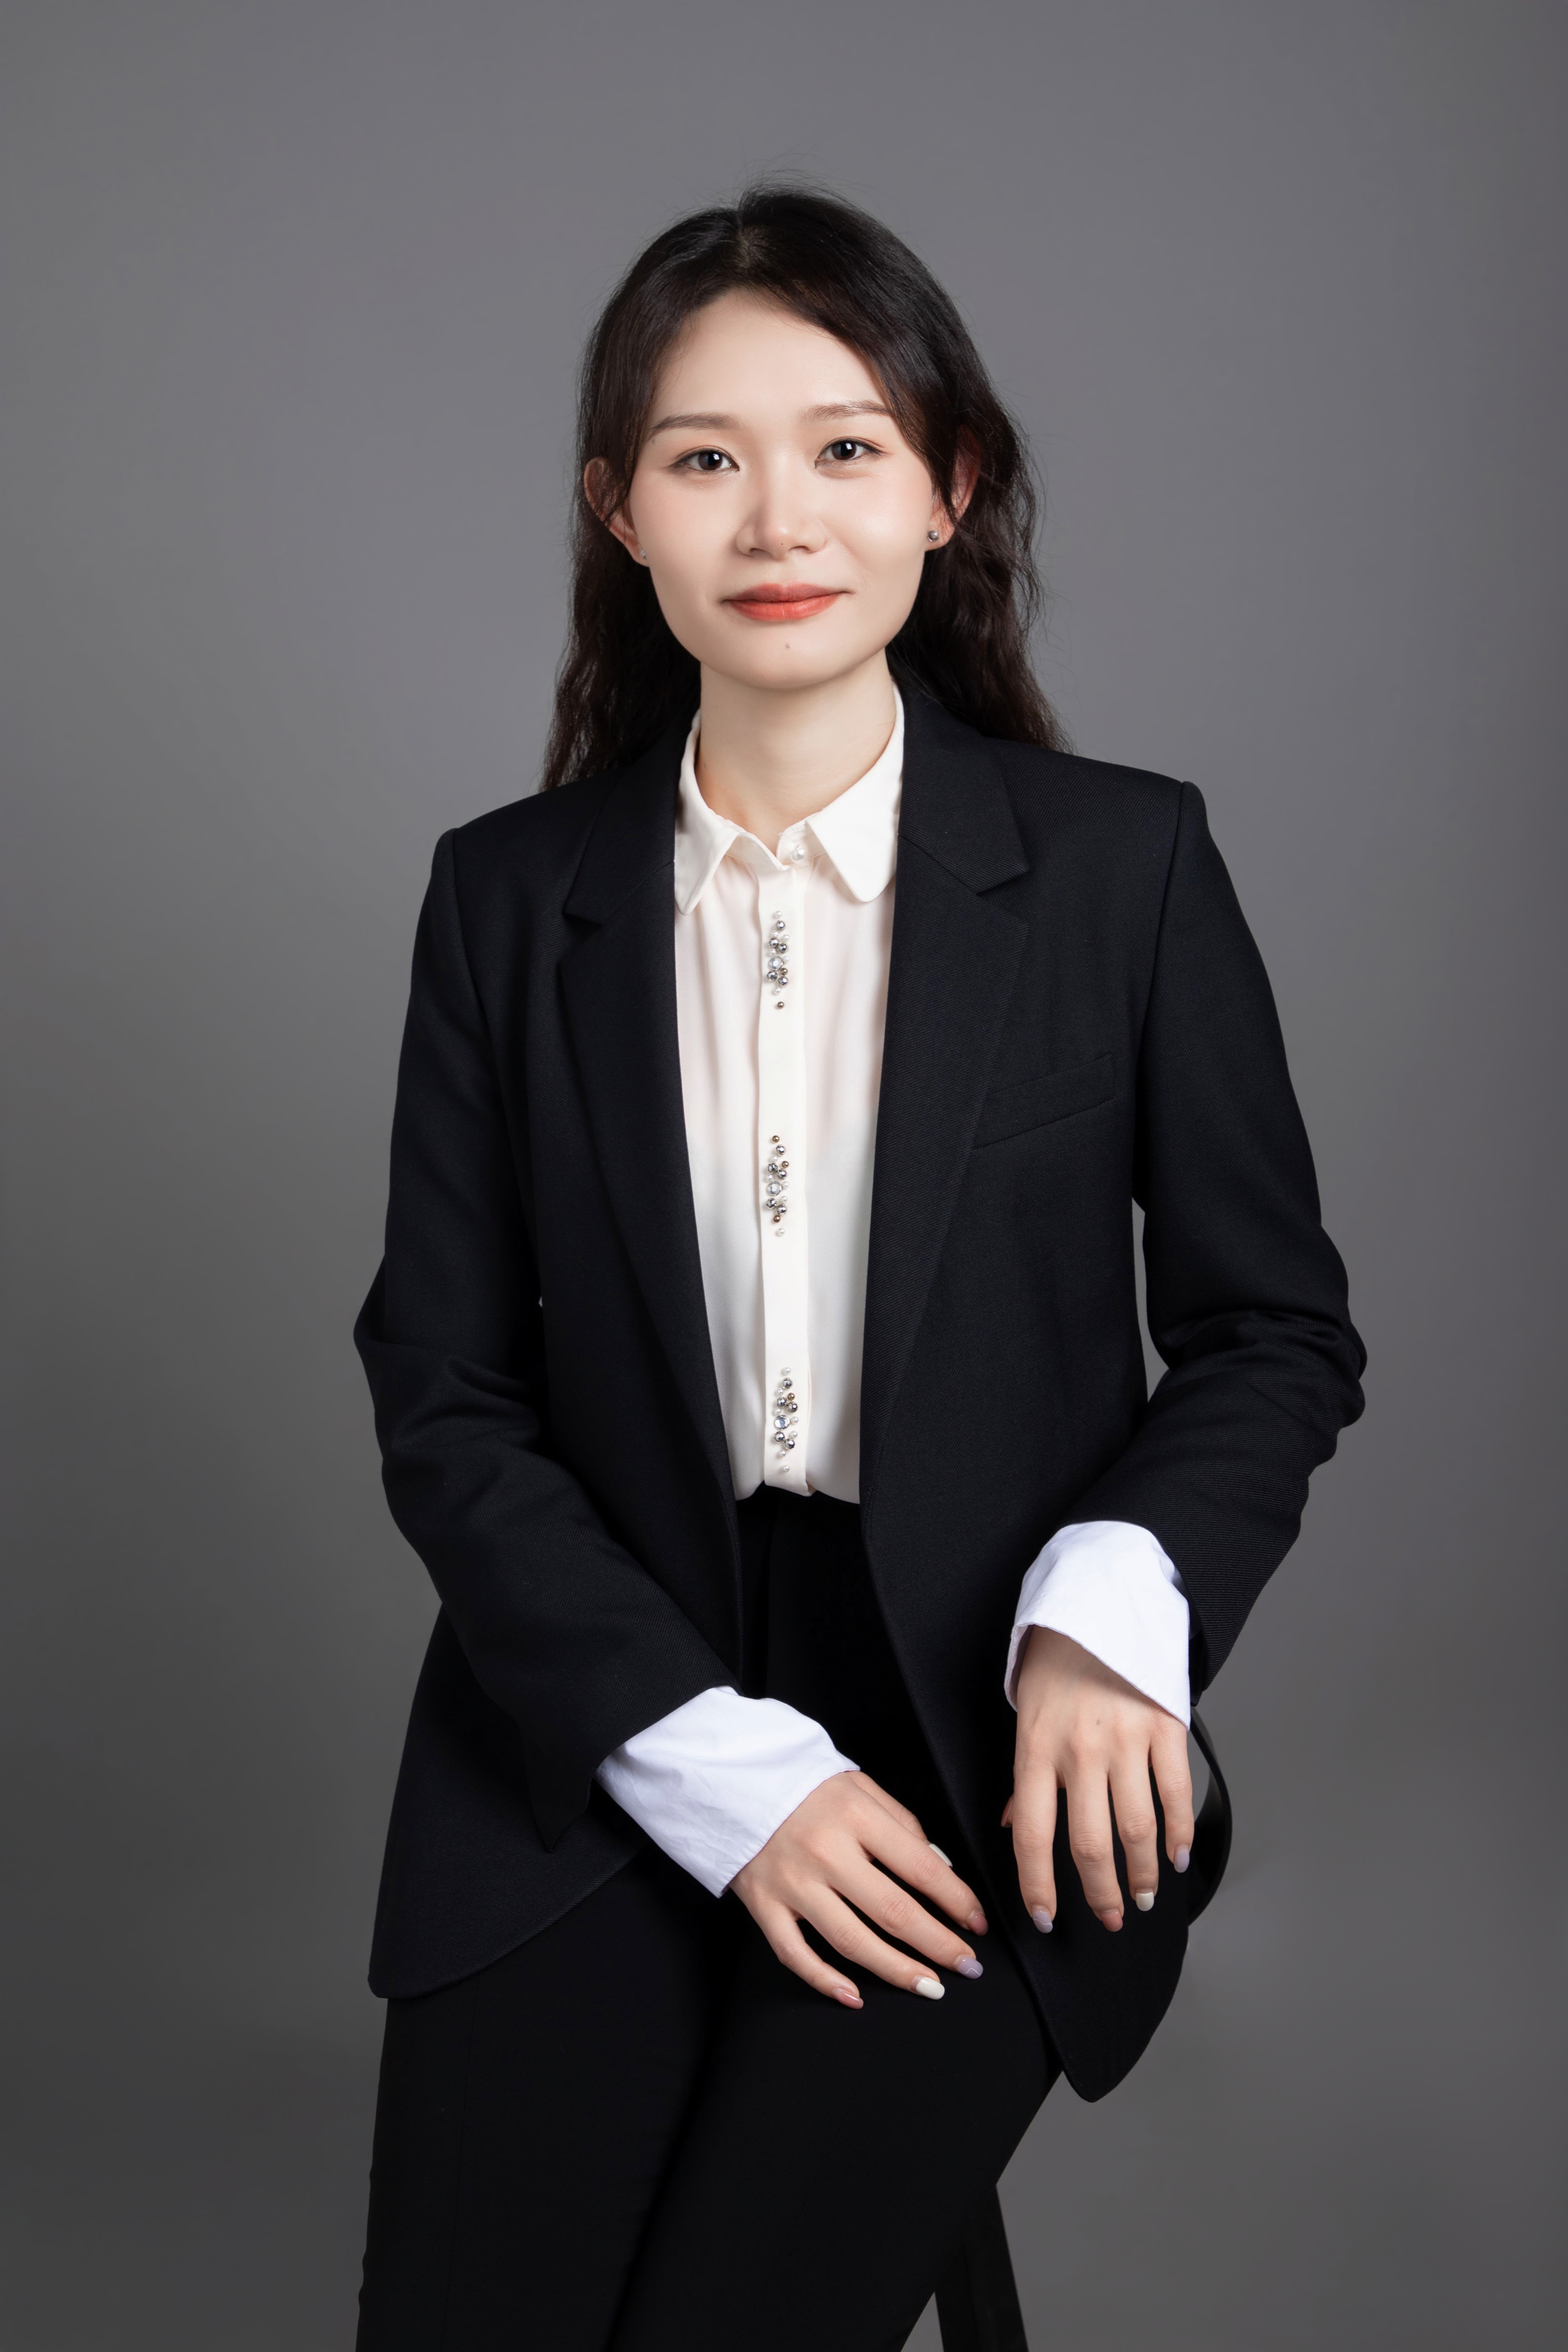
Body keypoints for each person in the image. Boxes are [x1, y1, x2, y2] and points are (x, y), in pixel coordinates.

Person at [350, 184, 1364, 2352]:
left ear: (947, 483)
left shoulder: (1125, 869)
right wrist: (712, 1763)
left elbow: (1273, 1332)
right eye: (704, 457)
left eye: (845, 445)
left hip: (990, 1734)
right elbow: (444, 1391)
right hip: (594, 1708)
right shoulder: (505, 900)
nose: (777, 517)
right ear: (620, 511)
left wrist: (1112, 1618)